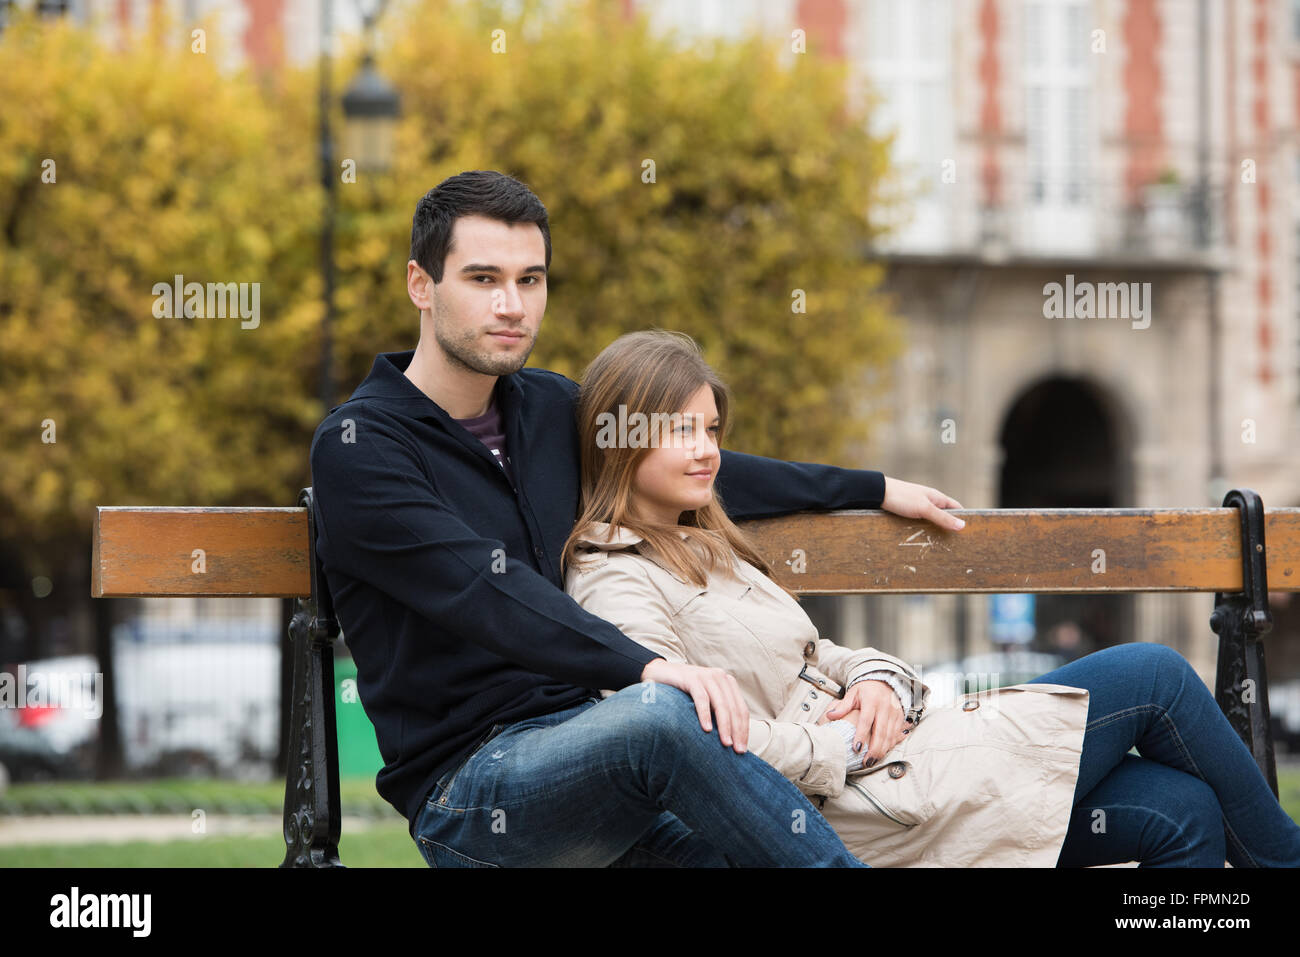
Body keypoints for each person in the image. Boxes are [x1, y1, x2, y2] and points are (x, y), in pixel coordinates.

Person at [308, 169, 967, 867]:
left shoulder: (551, 411)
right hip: (478, 790)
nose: (511, 305)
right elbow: (484, 589)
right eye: (482, 278)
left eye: (531, 280)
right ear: (421, 284)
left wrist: (871, 485)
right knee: (666, 715)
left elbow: (689, 463)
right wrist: (648, 667)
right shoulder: (362, 449)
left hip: (619, 761)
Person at [561, 329, 1300, 867]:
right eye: (680, 429)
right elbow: (686, 743)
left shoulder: (708, 541)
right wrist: (845, 743)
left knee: (1182, 811)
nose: (706, 448)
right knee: (1155, 675)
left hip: (903, 755)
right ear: (619, 439)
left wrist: (879, 679)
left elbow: (825, 655)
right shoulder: (610, 577)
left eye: (712, 428)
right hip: (849, 806)